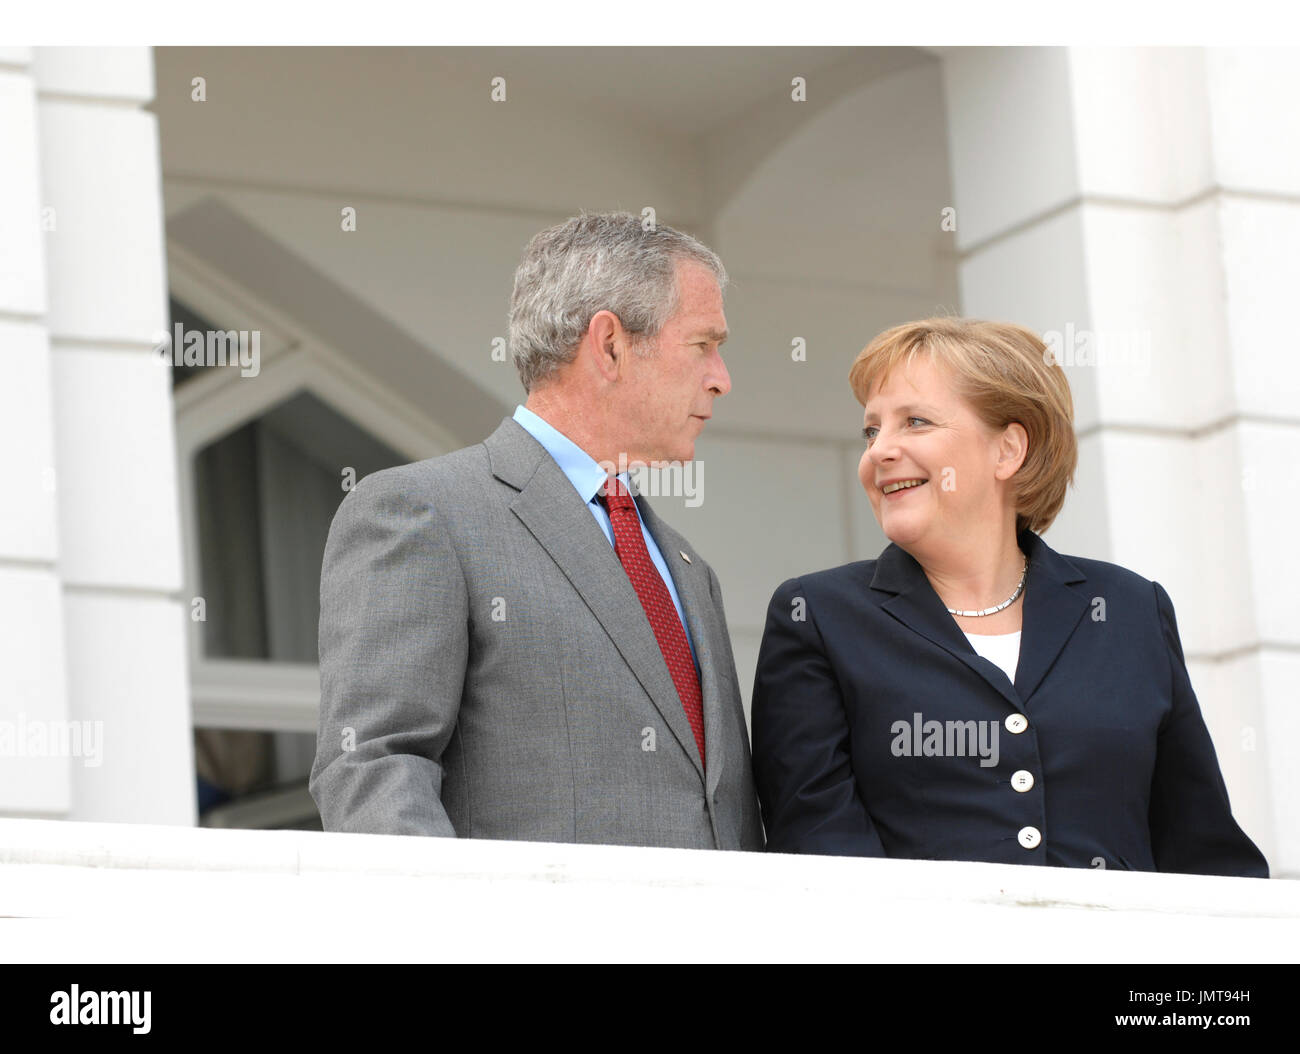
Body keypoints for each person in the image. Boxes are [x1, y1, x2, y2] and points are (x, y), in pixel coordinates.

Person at [310, 211, 763, 851]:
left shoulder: (689, 567)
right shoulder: (419, 512)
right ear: (609, 344)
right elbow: (373, 767)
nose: (721, 377)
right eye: (702, 344)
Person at [751, 317, 1267, 877]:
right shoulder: (819, 615)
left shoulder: (1129, 609)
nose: (880, 452)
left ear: (1008, 450)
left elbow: (1205, 852)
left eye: (915, 422)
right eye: (871, 431)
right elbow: (820, 853)